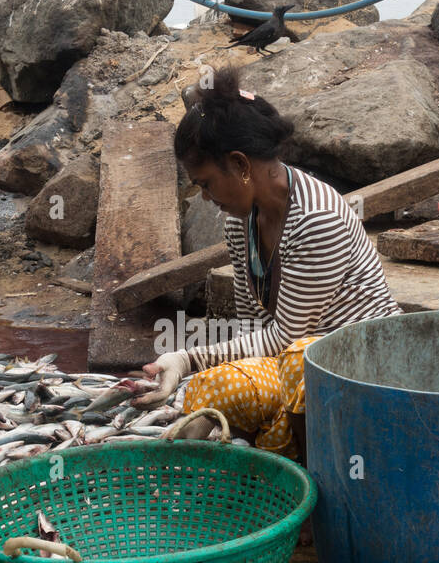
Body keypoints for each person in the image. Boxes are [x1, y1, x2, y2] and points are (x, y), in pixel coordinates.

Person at [135, 67, 402, 460]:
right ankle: (274, 450)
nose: (205, 197)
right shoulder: (240, 220)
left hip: (364, 367)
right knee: (215, 387)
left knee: (297, 364)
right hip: (303, 363)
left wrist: (185, 357)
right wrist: (203, 381)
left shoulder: (317, 219)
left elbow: (284, 340)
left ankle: (319, 477)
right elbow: (251, 326)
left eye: (206, 183)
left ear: (241, 165)